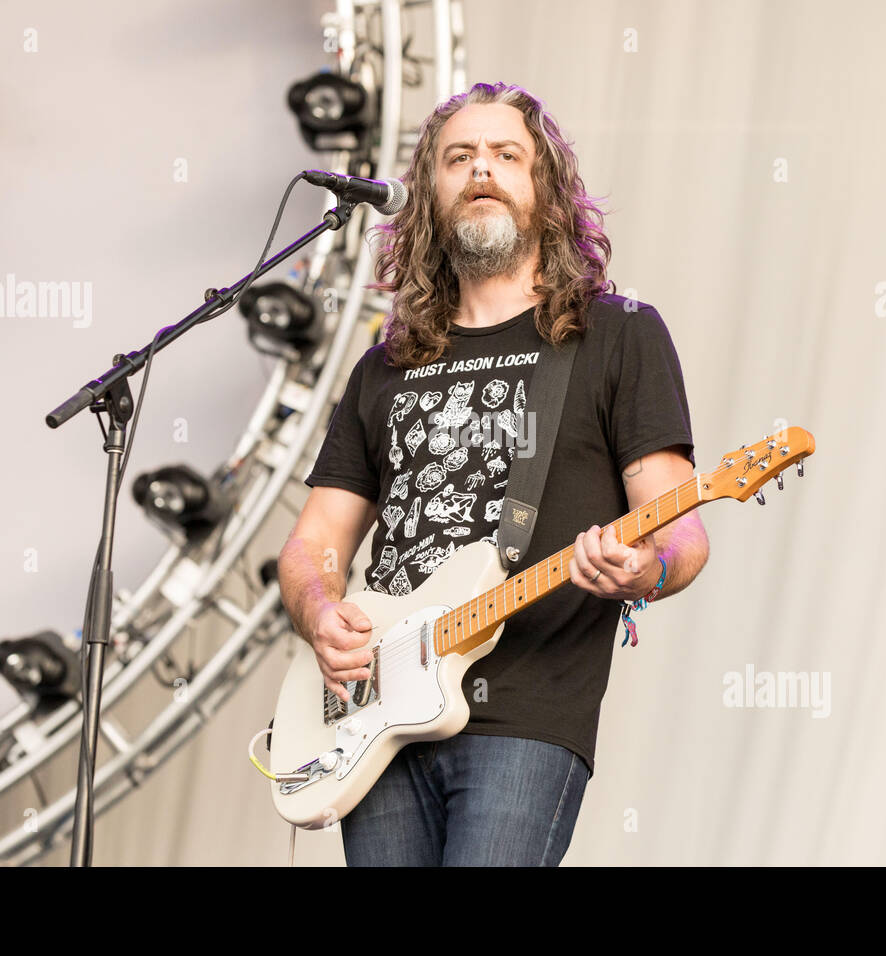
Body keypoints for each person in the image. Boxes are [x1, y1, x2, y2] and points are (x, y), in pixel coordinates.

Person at [277, 81, 710, 866]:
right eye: (459, 158)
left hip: (525, 718)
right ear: (428, 196)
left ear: (546, 188)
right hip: (376, 714)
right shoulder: (384, 366)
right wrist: (320, 613)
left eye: (506, 155)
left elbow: (681, 533)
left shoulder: (618, 335)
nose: (482, 169)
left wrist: (643, 570)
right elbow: (314, 544)